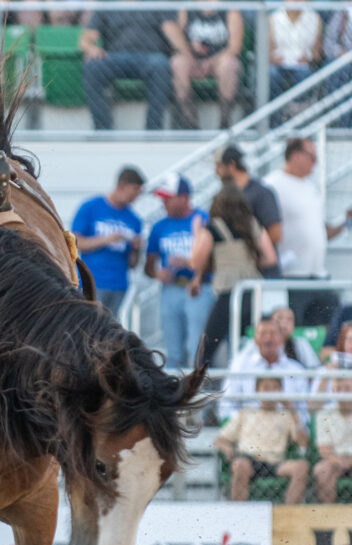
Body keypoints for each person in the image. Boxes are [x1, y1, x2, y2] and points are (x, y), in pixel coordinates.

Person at [264, 137, 352, 325]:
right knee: (292, 331)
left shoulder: (309, 187)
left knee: (329, 331)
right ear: (295, 156)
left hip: (319, 276)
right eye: (312, 157)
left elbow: (320, 231)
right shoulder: (273, 184)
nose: (315, 163)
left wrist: (346, 223)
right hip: (291, 276)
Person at [191, 183, 277, 367]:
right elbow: (270, 258)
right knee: (246, 343)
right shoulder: (253, 225)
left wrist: (196, 233)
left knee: (208, 345)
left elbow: (195, 261)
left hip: (227, 292)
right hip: (253, 291)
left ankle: (198, 383)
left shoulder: (213, 228)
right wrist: (249, 263)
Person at [144, 172, 209, 370]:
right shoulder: (159, 226)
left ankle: (199, 394)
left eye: (168, 198)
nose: (163, 203)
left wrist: (190, 261)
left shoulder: (202, 219)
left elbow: (213, 259)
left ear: (183, 198)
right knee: (173, 352)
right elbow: (148, 265)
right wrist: (157, 274)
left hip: (198, 288)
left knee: (195, 348)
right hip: (171, 289)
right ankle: (176, 397)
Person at [214, 376, 310, 504]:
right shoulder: (245, 413)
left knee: (301, 467)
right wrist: (229, 450)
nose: (270, 392)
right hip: (250, 460)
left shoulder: (286, 415)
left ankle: (288, 514)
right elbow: (220, 440)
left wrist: (292, 410)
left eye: (275, 388)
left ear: (280, 391)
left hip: (276, 463)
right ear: (257, 391)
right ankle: (238, 514)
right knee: (240, 465)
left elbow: (303, 442)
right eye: (266, 388)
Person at [79, 7, 176, 131]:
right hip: (114, 58)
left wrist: (185, 53)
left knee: (161, 64)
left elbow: (171, 30)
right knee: (92, 66)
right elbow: (84, 40)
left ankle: (153, 131)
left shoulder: (154, 4)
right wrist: (91, 48)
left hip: (150, 58)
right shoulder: (107, 6)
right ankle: (102, 130)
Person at [71, 166, 144, 317]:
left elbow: (132, 264)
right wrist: (107, 239)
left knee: (109, 332)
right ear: (121, 186)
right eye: (134, 190)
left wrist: (136, 249)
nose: (136, 196)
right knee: (89, 328)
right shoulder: (91, 207)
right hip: (93, 282)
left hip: (118, 285)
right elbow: (76, 243)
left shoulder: (134, 219)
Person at [167, 0, 243, 129]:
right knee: (178, 63)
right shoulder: (186, 9)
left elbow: (235, 47)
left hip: (219, 60)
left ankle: (224, 122)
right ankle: (189, 122)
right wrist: (190, 48)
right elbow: (177, 40)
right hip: (191, 59)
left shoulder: (230, 10)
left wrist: (210, 61)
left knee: (229, 64)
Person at [219, 315, 309, 424]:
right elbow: (226, 407)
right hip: (248, 428)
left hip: (285, 429)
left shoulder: (296, 370)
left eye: (272, 334)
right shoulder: (239, 367)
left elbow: (305, 414)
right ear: (255, 339)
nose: (268, 339)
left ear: (281, 338)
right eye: (262, 334)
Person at [214, 145, 283, 249]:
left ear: (231, 165)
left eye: (219, 166)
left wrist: (251, 250)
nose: (216, 172)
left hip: (259, 262)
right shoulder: (223, 195)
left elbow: (275, 234)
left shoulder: (261, 194)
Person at [267, 3, 322, 116]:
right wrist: (273, 59)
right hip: (279, 63)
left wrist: (309, 59)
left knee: (304, 75)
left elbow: (316, 54)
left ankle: (296, 117)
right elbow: (268, 52)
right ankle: (275, 117)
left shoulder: (314, 18)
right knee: (271, 74)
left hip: (303, 64)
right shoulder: (273, 18)